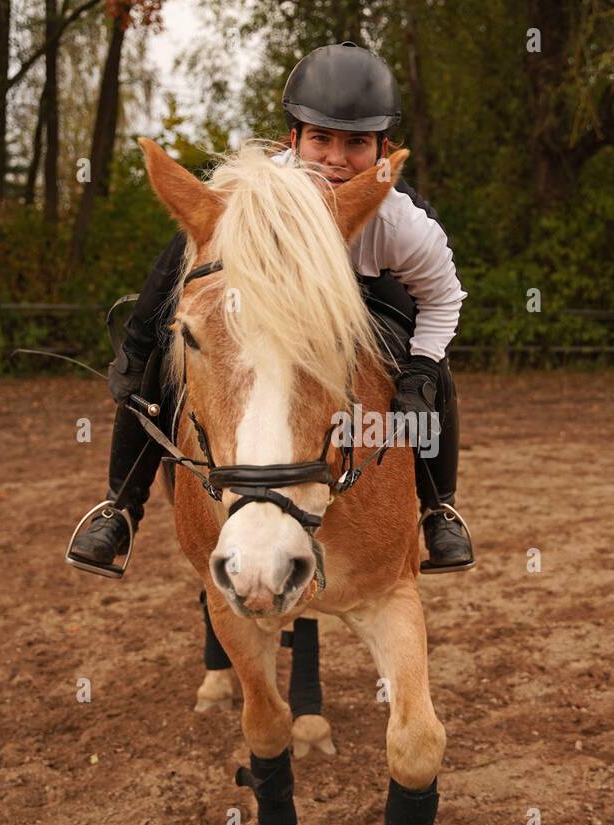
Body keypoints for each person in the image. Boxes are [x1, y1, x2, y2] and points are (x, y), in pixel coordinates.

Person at [68, 40, 474, 578]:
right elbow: (174, 264)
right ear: (293, 140)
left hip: (370, 289)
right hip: (272, 294)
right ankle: (120, 507)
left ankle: (437, 507)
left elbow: (444, 296)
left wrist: (421, 368)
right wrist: (140, 347)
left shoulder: (402, 226)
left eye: (356, 144)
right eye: (321, 139)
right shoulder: (256, 195)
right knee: (161, 374)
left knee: (433, 379)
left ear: (382, 150)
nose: (335, 159)